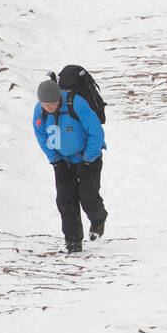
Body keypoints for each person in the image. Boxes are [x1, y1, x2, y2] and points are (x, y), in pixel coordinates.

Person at [32, 78, 106, 252]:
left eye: (52, 104)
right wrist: (54, 158)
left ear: (59, 98)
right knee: (65, 201)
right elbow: (41, 135)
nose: (49, 108)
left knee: (88, 197)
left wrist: (89, 157)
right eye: (45, 105)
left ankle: (98, 219)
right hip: (62, 160)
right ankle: (73, 241)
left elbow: (96, 132)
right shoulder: (39, 111)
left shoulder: (76, 104)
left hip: (88, 157)